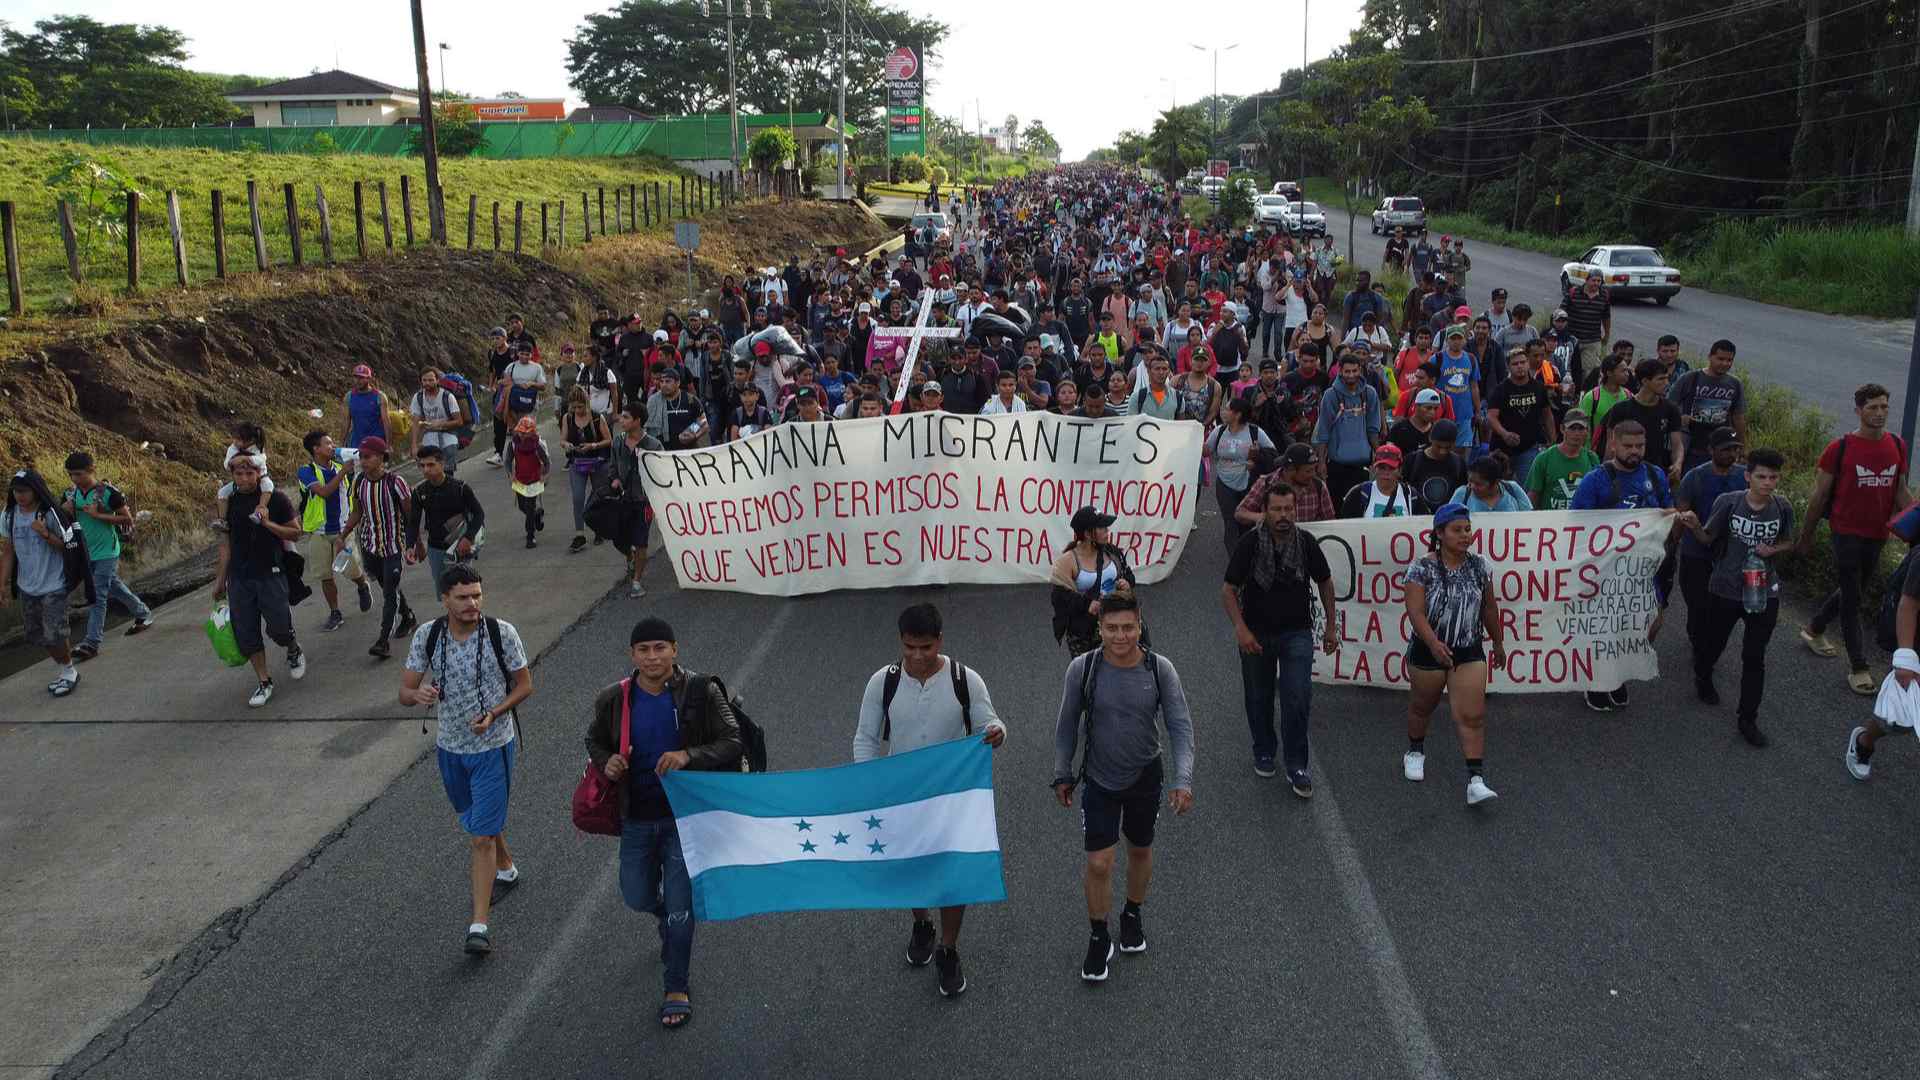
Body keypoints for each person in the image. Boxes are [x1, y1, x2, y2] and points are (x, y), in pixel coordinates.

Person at [584, 616, 740, 1028]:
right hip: (636, 818)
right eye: (644, 650)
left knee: (680, 908)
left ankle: (676, 987)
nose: (652, 657)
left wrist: (688, 756)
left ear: (675, 650)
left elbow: (733, 740)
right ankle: (663, 917)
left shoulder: (701, 690)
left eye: (660, 648)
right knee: (636, 896)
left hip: (686, 820)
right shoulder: (613, 699)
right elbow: (593, 740)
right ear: (632, 655)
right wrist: (607, 761)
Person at [852, 604, 1008, 998]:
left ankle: (948, 948)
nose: (918, 656)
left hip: (952, 799)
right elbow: (866, 738)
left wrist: (996, 732)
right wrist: (865, 785)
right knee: (912, 870)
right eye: (909, 647)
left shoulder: (965, 680)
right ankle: (922, 922)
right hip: (902, 799)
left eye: (925, 647)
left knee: (953, 877)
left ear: (940, 640)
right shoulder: (882, 683)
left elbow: (990, 722)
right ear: (901, 642)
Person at [1050, 595, 1195, 983]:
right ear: (1100, 629)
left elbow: (1180, 727)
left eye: (1128, 628)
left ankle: (1132, 912)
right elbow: (1066, 725)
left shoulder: (1159, 669)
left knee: (1140, 850)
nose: (1120, 636)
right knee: (1099, 863)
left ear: (1139, 625)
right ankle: (1099, 935)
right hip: (1098, 778)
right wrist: (1062, 773)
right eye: (1112, 628)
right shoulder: (1083, 669)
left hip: (1145, 776)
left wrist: (1183, 779)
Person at [399, 564, 533, 957]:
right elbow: (404, 692)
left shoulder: (502, 633)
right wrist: (418, 695)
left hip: (493, 748)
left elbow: (525, 684)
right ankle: (506, 867)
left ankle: (479, 926)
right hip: (450, 750)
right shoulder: (427, 635)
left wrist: (495, 713)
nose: (472, 603)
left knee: (479, 837)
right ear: (445, 599)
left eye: (476, 595)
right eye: (462, 597)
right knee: (477, 821)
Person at [1222, 481, 1339, 789]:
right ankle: (1263, 750)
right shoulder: (1249, 543)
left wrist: (1331, 626)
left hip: (1296, 634)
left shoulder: (1306, 543)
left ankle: (1297, 765)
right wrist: (1241, 629)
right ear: (1265, 511)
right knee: (1258, 697)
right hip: (1255, 635)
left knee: (1297, 698)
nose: (1283, 515)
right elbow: (1228, 590)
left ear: (1296, 511)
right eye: (1276, 509)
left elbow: (1325, 582)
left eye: (1289, 509)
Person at [1797, 383, 1912, 695]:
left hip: (1878, 533)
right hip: (1846, 533)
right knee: (1852, 598)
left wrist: (1915, 530)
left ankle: (1814, 628)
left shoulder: (1897, 445)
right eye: (1872, 407)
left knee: (1855, 588)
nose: (1879, 413)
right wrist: (1806, 536)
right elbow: (1819, 497)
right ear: (1858, 410)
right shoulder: (1840, 448)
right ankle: (1859, 666)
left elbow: (1900, 492)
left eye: (1884, 407)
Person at [1570, 419, 1680, 711]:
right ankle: (1597, 680)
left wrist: (1676, 518)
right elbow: (1576, 525)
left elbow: (1666, 511)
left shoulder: (1655, 475)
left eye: (1640, 446)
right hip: (1606, 568)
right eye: (1628, 445)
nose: (1634, 451)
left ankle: (1618, 672)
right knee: (1606, 626)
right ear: (1613, 444)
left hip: (1644, 567)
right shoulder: (1595, 480)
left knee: (1650, 622)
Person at [1683, 449, 1789, 748]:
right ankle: (1703, 676)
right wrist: (1694, 526)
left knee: (1754, 657)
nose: (1767, 483)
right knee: (1713, 644)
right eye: (1761, 477)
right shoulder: (1728, 502)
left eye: (1773, 477)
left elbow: (1788, 541)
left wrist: (1773, 550)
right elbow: (1707, 538)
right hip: (1726, 589)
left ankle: (1748, 719)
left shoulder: (1782, 507)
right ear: (1747, 476)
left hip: (1764, 591)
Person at [1402, 502, 1505, 805]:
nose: (1465, 535)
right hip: (1428, 650)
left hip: (1468, 648)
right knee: (1423, 706)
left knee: (1473, 715)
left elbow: (1489, 608)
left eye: (1468, 529)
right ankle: (1415, 750)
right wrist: (1434, 643)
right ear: (1440, 533)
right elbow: (1415, 612)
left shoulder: (1480, 566)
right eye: (1457, 530)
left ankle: (1476, 780)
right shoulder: (1421, 567)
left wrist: (1498, 642)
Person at [212, 454, 307, 708]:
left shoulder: (276, 499)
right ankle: (264, 682)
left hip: (270, 572)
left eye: (249, 474)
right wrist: (220, 580)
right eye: (238, 474)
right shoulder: (228, 502)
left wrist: (268, 524)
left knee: (279, 627)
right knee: (247, 633)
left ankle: (292, 647)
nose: (244, 479)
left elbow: (296, 533)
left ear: (259, 473)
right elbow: (225, 544)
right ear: (232, 476)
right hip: (239, 578)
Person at [61, 451, 154, 661]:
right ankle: (143, 613)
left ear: (91, 470)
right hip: (85, 553)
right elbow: (64, 520)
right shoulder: (70, 494)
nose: (74, 479)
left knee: (97, 595)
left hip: (107, 550)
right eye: (71, 475)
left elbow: (127, 519)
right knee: (113, 586)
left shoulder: (109, 493)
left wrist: (98, 515)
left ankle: (91, 642)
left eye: (78, 474)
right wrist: (65, 510)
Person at [3, 469, 85, 697]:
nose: (19, 496)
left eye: (24, 491)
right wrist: (2, 584)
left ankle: (69, 671)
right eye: (16, 491)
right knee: (37, 633)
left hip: (53, 584)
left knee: (54, 633)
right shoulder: (9, 515)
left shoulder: (50, 514)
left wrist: (45, 534)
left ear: (36, 490)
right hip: (27, 586)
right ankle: (65, 670)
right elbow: (8, 551)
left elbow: (68, 547)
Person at [341, 436, 418, 660]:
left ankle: (383, 640)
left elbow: (410, 515)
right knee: (387, 586)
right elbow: (357, 512)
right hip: (370, 545)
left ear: (381, 458)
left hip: (394, 545)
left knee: (389, 589)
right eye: (361, 457)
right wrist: (342, 535)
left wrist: (415, 544)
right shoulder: (358, 482)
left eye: (368, 457)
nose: (363, 461)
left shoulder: (396, 482)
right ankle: (407, 616)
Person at [1674, 427, 1748, 658]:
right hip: (1696, 553)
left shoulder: (1745, 477)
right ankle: (1699, 646)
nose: (1731, 454)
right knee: (1697, 605)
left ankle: (1705, 652)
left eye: (1735, 449)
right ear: (1710, 450)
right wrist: (1671, 547)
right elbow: (1680, 515)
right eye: (1725, 449)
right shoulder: (1694, 477)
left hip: (1729, 556)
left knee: (1718, 608)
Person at [297, 431, 371, 632]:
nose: (333, 447)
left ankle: (362, 585)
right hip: (318, 532)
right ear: (316, 449)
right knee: (325, 575)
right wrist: (343, 472)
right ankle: (335, 612)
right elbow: (323, 492)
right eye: (328, 444)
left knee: (351, 569)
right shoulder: (306, 471)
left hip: (342, 530)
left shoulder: (341, 467)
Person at [1049, 507, 1139, 657]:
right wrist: (1087, 604)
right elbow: (1059, 597)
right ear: (1087, 534)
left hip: (1115, 624)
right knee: (1088, 670)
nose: (1107, 530)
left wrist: (1127, 583)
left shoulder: (1112, 552)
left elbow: (1128, 574)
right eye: (1102, 527)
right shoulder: (1068, 561)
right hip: (1085, 632)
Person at [408, 446, 486, 597]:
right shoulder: (419, 492)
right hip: (435, 549)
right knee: (445, 594)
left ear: (442, 464)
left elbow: (479, 514)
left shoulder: (460, 488)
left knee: (464, 591)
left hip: (460, 548)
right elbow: (413, 522)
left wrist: (468, 538)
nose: (426, 470)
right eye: (422, 466)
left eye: (430, 465)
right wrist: (410, 546)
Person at [607, 403, 666, 598]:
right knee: (620, 538)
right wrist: (614, 479)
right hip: (623, 501)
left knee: (641, 542)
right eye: (621, 417)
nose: (621, 420)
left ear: (637, 421)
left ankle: (637, 581)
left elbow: (663, 473)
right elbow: (612, 467)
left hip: (644, 503)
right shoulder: (618, 442)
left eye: (626, 417)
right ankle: (630, 557)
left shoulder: (654, 446)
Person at [1597, 360, 1686, 484]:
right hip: (1623, 473)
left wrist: (1677, 464)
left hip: (1655, 475)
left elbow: (1677, 444)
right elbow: (1610, 446)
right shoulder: (1621, 409)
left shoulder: (1670, 409)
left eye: (1667, 378)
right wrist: (1605, 475)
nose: (1666, 383)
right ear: (1645, 381)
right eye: (1660, 379)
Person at [1668, 340, 1748, 473]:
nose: (1725, 363)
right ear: (1710, 357)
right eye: (1720, 359)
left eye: (1729, 360)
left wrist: (1743, 447)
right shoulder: (1690, 378)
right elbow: (1669, 406)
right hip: (1691, 445)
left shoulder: (1735, 384)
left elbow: (1738, 417)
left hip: (1721, 447)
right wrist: (1680, 419)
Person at [1314, 354, 1383, 504]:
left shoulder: (1369, 393)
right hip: (1337, 465)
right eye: (1347, 371)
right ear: (1340, 372)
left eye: (1354, 371)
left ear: (1360, 371)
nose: (1351, 375)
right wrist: (1321, 462)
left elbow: (1373, 429)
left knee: (1360, 506)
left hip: (1362, 465)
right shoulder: (1331, 395)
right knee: (1338, 507)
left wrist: (1379, 455)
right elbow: (1323, 432)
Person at [1206, 399, 1275, 549]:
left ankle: (1249, 552)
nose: (1223, 412)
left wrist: (1256, 458)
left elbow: (1272, 454)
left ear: (1237, 415)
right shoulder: (1219, 431)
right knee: (1230, 522)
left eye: (1227, 409)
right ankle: (1234, 556)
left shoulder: (1255, 432)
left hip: (1249, 484)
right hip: (1224, 484)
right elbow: (1206, 451)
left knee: (1247, 523)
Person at [1486, 350, 1557, 482]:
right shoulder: (1500, 389)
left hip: (1529, 447)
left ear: (1528, 364)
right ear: (1508, 367)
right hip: (1502, 448)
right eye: (1515, 364)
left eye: (1522, 362)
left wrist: (1553, 441)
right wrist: (1505, 434)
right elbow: (1491, 417)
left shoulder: (1538, 387)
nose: (1519, 366)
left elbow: (1547, 415)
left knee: (1528, 486)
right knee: (1498, 485)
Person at [559, 387, 613, 554]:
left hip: (597, 462)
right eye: (574, 407)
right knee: (577, 497)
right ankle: (579, 534)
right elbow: (562, 439)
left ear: (587, 403)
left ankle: (598, 529)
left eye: (580, 407)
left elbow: (609, 440)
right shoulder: (567, 418)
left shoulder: (597, 417)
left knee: (597, 496)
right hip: (577, 462)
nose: (577, 410)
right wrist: (567, 445)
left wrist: (593, 445)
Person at [1237, 443, 1335, 528]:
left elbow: (1331, 522)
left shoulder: (1319, 486)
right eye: (1308, 471)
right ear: (1291, 469)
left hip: (1306, 542)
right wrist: (1263, 517)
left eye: (1314, 469)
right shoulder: (1266, 483)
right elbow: (1240, 513)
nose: (1313, 474)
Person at [1525, 408, 1600, 511]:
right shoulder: (1544, 459)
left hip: (1582, 519)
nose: (1576, 433)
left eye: (1581, 428)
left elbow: (1598, 495)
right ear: (1562, 429)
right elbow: (1531, 498)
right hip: (1550, 519)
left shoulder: (1592, 459)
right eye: (1572, 428)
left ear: (1587, 431)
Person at [1341, 444, 1426, 518]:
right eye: (1382, 468)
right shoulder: (1359, 494)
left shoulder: (1411, 496)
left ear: (1400, 470)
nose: (1386, 473)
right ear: (1374, 468)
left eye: (1391, 468)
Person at [409, 369, 466, 476]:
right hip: (429, 436)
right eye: (424, 380)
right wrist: (414, 445)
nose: (427, 383)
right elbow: (415, 422)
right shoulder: (418, 398)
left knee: (447, 468)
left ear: (437, 380)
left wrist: (440, 424)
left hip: (448, 435)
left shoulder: (447, 397)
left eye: (431, 380)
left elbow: (459, 421)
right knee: (430, 469)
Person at [1562, 271, 1612, 383]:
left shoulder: (1604, 295)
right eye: (1593, 280)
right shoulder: (1574, 292)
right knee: (1568, 369)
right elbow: (1562, 312)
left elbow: (1606, 316)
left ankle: (1585, 392)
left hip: (1592, 340)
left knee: (1589, 372)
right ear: (1587, 280)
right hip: (1572, 339)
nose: (1596, 283)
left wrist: (1607, 334)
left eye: (1599, 281)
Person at [1451, 453, 1532, 513]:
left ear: (1496, 482)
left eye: (1478, 484)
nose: (1472, 486)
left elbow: (1529, 516)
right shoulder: (1462, 494)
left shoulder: (1512, 489)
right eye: (1470, 481)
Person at [342, 363, 393, 456]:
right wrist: (342, 441)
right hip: (357, 442)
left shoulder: (379, 397)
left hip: (376, 442)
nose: (358, 380)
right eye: (356, 377)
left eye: (362, 378)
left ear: (369, 379)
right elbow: (346, 421)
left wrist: (388, 445)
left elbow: (386, 422)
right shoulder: (349, 397)